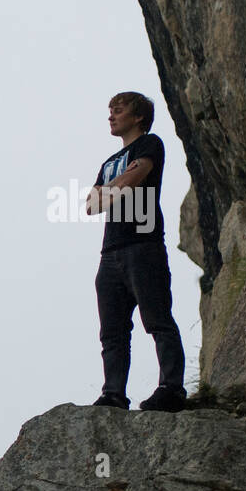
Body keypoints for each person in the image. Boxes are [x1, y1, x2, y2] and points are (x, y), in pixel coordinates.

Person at [84, 91, 186, 412]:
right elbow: (90, 205)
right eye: (109, 110)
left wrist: (110, 192)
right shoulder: (109, 163)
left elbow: (134, 179)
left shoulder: (150, 144)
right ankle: (114, 393)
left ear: (138, 116)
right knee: (112, 331)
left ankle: (171, 387)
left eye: (118, 109)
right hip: (110, 252)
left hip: (144, 246)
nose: (111, 115)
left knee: (157, 319)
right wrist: (117, 188)